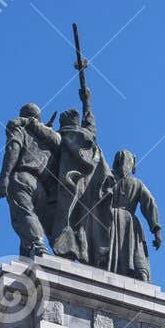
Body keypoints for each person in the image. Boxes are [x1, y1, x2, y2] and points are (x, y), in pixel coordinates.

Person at [51, 87, 113, 266]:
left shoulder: (61, 137)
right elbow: (90, 122)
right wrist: (87, 101)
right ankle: (84, 253)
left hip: (68, 186)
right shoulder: (88, 137)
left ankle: (66, 250)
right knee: (83, 224)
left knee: (66, 219)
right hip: (90, 191)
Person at [0, 104, 60, 257]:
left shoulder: (20, 129)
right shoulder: (50, 139)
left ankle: (38, 245)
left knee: (23, 215)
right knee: (28, 220)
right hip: (42, 188)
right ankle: (26, 255)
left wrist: (4, 176)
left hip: (21, 178)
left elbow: (13, 149)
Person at [107, 150, 161, 281]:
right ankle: (140, 272)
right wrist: (156, 230)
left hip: (108, 219)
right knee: (137, 253)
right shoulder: (137, 184)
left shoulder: (107, 179)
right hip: (129, 222)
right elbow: (150, 203)